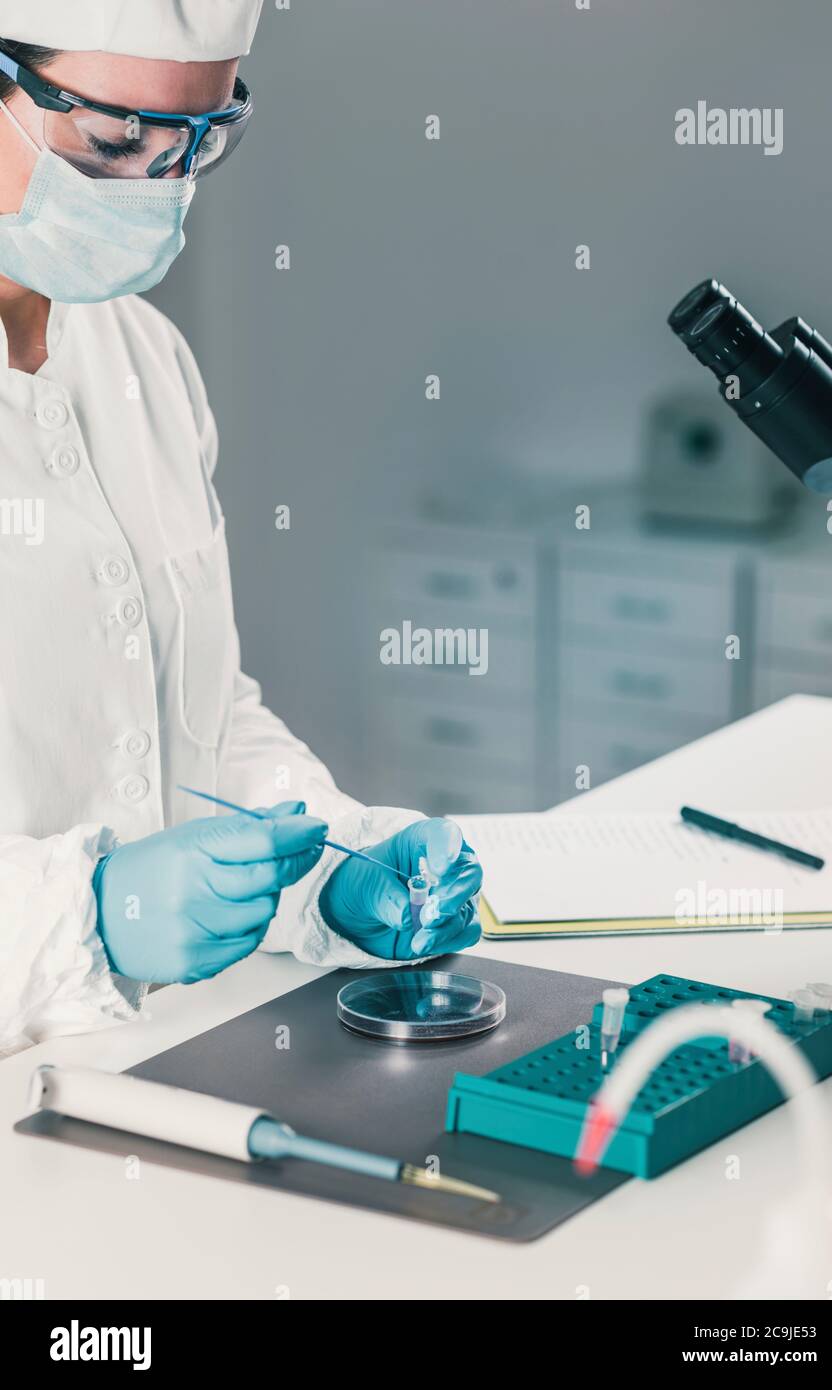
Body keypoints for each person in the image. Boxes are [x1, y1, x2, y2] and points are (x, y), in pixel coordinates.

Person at [0, 1, 482, 1056]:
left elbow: (201, 711)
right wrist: (85, 918)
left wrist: (329, 865)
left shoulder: (143, 359)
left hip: (156, 1067)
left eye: (197, 142)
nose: (159, 189)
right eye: (117, 139)